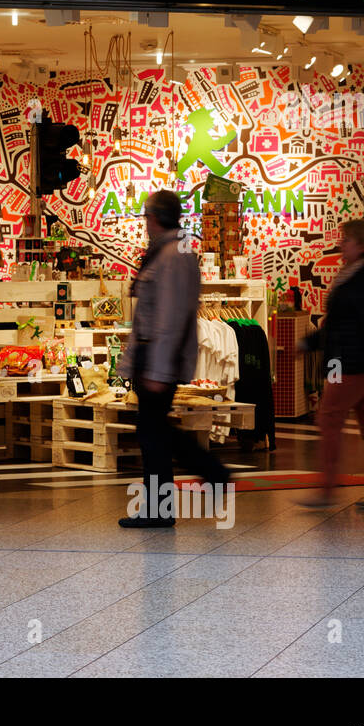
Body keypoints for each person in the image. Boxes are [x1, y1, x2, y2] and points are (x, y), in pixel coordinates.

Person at [118, 190, 233, 528]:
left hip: (157, 360)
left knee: (154, 432)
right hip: (151, 357)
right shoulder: (166, 251)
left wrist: (158, 367)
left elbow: (170, 317)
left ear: (154, 218)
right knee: (153, 431)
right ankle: (162, 507)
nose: (144, 223)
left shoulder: (174, 254)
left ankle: (208, 474)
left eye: (146, 216)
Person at [300, 218, 364, 509]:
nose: (342, 243)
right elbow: (342, 324)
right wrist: (310, 343)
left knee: (329, 419)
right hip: (354, 363)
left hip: (352, 364)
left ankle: (327, 491)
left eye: (348, 239)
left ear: (362, 244)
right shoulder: (353, 275)